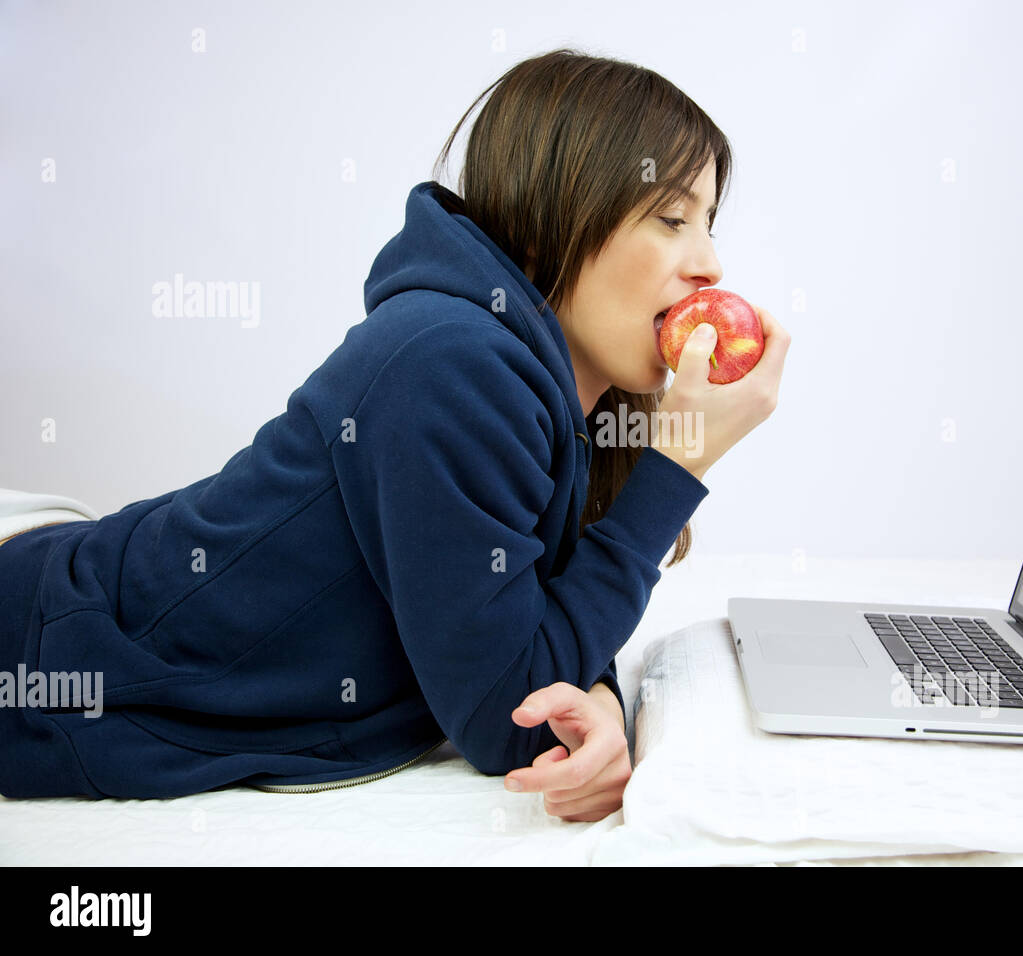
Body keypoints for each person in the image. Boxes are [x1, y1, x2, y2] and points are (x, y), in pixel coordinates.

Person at [0, 48, 790, 821]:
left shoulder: (529, 377)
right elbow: (503, 717)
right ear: (552, 224)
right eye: (673, 218)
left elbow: (537, 602)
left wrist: (600, 702)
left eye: (710, 224)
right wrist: (677, 465)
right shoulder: (450, 362)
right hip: (47, 653)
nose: (711, 265)